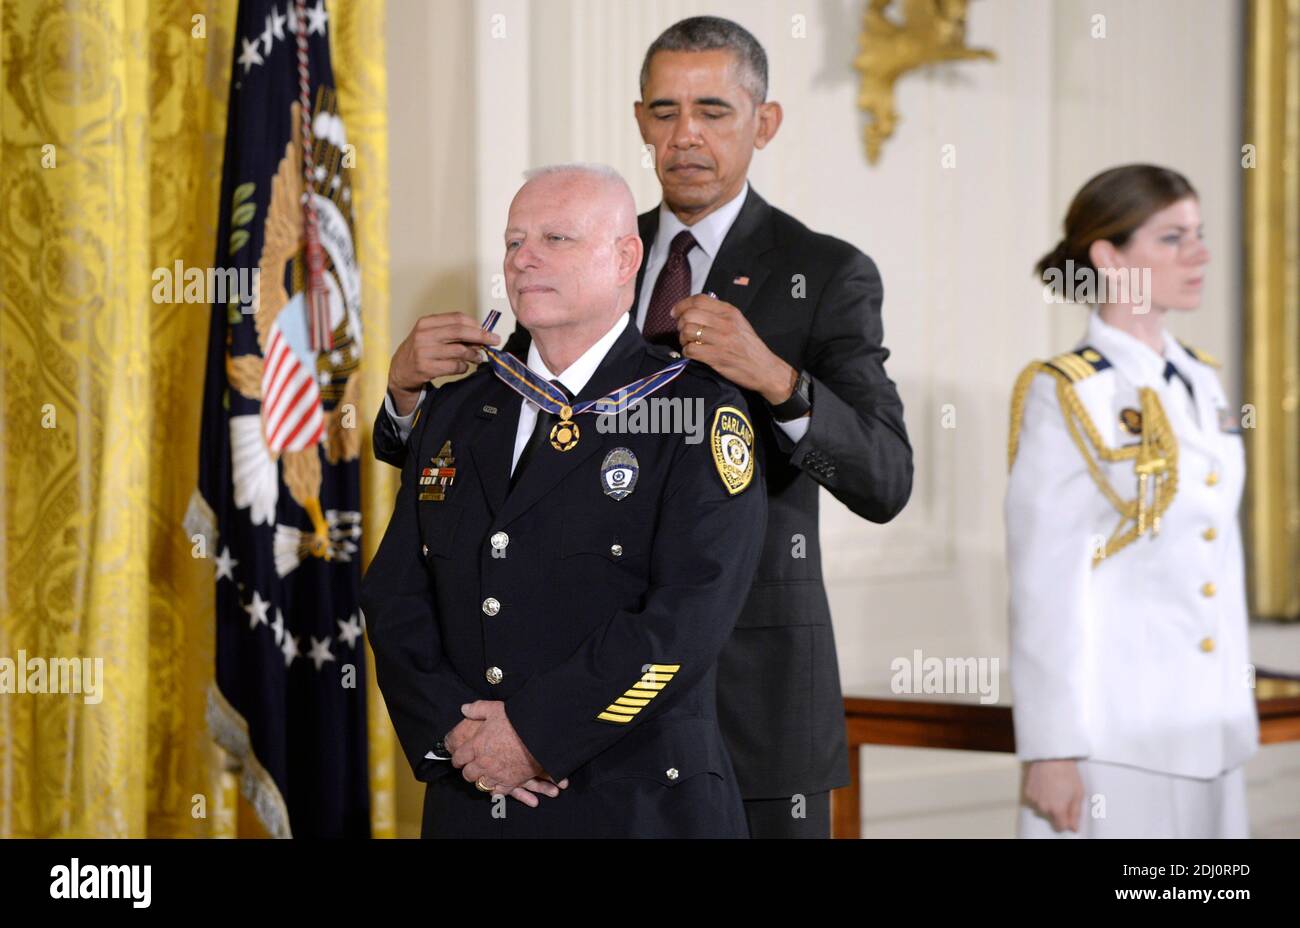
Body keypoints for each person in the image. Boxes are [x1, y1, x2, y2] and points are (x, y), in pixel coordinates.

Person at [374, 16, 912, 839]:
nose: (684, 135)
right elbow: (505, 448)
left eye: (713, 111)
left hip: (744, 693)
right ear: (639, 124)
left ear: (763, 123)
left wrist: (775, 377)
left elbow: (884, 480)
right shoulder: (576, 242)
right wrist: (405, 400)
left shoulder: (823, 271)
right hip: (550, 679)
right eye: (663, 112)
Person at [360, 163, 765, 838]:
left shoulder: (695, 411)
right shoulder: (459, 407)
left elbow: (687, 617)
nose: (524, 258)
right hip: (475, 798)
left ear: (625, 257)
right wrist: (459, 738)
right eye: (515, 241)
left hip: (638, 801)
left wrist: (533, 735)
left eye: (557, 238)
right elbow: (396, 595)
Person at [1007, 164, 1259, 838]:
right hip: (1115, 737)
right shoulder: (1067, 391)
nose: (1200, 254)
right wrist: (1051, 747)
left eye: (1199, 234)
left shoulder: (1201, 380)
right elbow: (1043, 581)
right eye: (1173, 238)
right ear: (1109, 256)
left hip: (1210, 728)